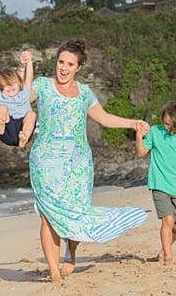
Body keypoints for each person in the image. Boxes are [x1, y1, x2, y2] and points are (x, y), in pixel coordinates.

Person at [29, 39, 149, 283]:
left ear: (78, 68)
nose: (63, 68)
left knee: (77, 212)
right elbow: (20, 98)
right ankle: (53, 271)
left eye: (70, 64)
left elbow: (104, 118)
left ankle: (70, 254)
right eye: (61, 62)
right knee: (48, 215)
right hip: (45, 161)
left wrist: (132, 123)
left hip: (78, 163)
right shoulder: (41, 85)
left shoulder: (84, 93)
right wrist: (23, 68)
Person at [135, 100, 176, 265]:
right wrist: (139, 136)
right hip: (159, 184)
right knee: (168, 221)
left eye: (169, 124)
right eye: (164, 122)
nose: (165, 126)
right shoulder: (156, 132)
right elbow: (141, 152)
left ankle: (163, 251)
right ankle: (168, 258)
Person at [0, 50, 37, 148]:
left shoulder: (24, 94)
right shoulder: (1, 97)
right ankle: (1, 123)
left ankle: (24, 138)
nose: (9, 87)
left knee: (32, 115)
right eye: (5, 86)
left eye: (12, 83)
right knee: (2, 107)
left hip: (23, 127)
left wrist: (29, 62)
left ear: (19, 82)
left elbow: (29, 78)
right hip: (7, 128)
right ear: (1, 88)